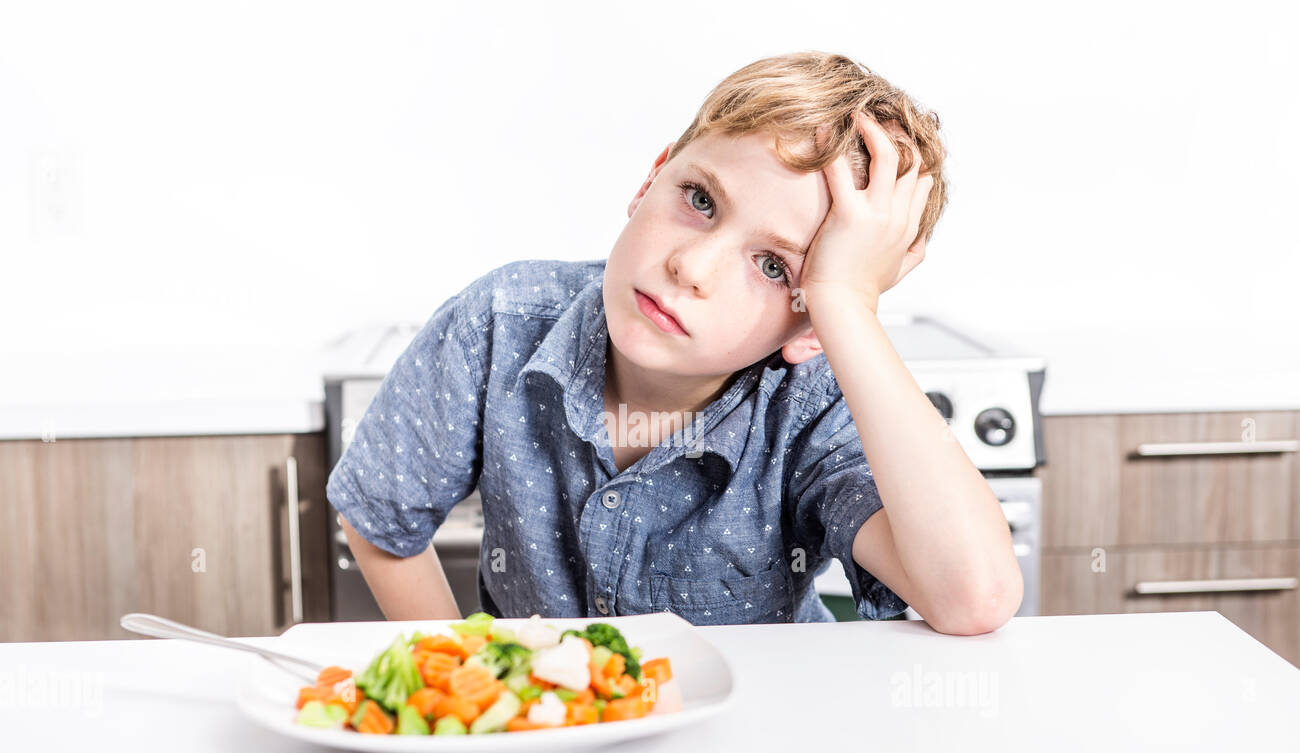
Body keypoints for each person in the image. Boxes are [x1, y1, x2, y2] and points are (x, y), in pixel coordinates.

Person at [326, 50, 1023, 633]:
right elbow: (379, 521)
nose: (691, 268)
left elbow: (975, 596)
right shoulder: (500, 321)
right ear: (652, 175)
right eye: (699, 200)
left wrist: (845, 304)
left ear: (813, 329)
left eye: (775, 265)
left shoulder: (814, 405)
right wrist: (471, 677)